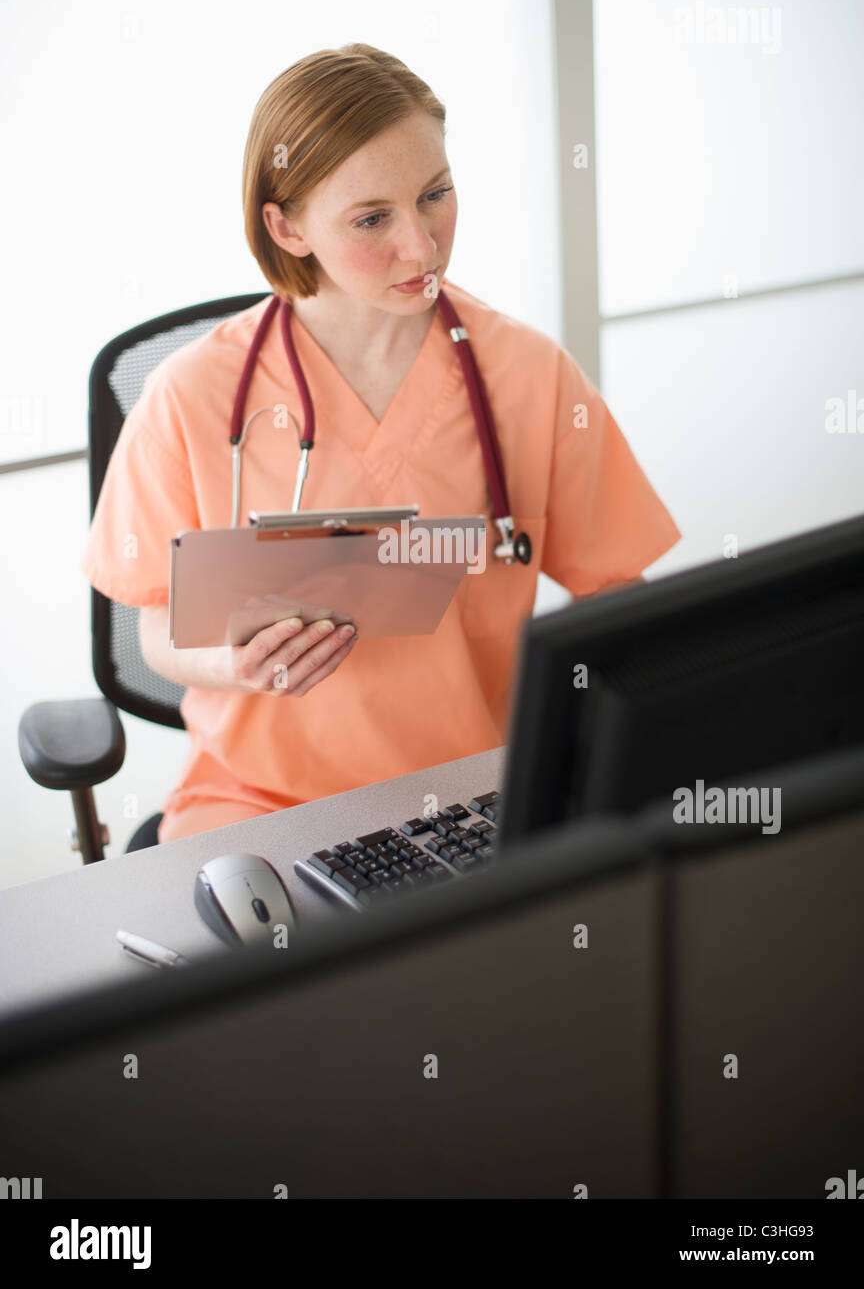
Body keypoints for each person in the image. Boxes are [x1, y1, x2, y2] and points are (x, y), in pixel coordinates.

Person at [80, 42, 682, 845]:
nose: (423, 247)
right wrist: (237, 666)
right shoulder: (191, 394)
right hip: (260, 804)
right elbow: (155, 624)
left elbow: (618, 593)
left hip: (479, 798)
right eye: (372, 219)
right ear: (286, 225)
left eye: (436, 196)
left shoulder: (530, 376)